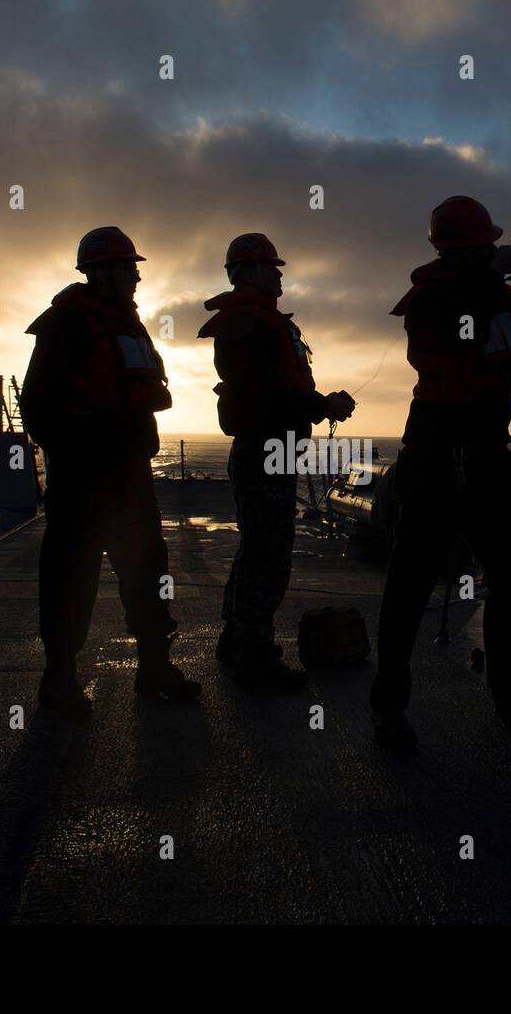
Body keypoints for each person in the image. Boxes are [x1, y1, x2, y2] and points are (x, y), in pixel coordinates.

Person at [371, 194, 511, 751]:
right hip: (433, 462)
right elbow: (452, 328)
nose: (496, 253)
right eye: (486, 247)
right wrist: (493, 275)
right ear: (461, 252)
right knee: (409, 586)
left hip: (489, 464)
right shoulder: (429, 302)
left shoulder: (498, 302)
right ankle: (388, 709)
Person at [21, 225, 200, 722]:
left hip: (130, 477)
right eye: (128, 269)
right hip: (82, 480)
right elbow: (36, 405)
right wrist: (78, 450)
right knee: (71, 578)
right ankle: (59, 678)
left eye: (136, 269)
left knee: (149, 572)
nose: (137, 278)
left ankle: (155, 666)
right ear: (100, 273)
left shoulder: (129, 326)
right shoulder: (67, 325)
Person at [198, 233, 355, 690]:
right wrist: (321, 404)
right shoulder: (247, 324)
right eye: (271, 266)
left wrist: (318, 405)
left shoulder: (261, 322)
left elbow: (278, 390)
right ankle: (255, 657)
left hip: (272, 446)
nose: (280, 274)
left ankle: (238, 639)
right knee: (268, 553)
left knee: (258, 548)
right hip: (266, 449)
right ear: (248, 273)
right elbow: (269, 392)